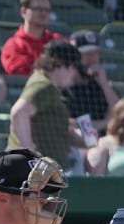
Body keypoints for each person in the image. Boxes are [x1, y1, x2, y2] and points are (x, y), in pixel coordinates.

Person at [8, 40, 84, 169]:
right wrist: (30, 152)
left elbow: (49, 128)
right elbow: (19, 113)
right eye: (74, 67)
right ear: (62, 64)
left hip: (44, 172)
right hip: (33, 172)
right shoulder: (43, 85)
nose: (75, 74)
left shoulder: (45, 85)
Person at [62, 29, 119, 133]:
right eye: (87, 54)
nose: (92, 59)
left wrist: (104, 84)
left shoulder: (104, 84)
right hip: (75, 144)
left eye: (95, 53)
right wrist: (105, 123)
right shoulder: (62, 86)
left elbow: (119, 112)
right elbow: (66, 122)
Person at [0, 0, 63, 77]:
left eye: (47, 10)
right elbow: (21, 75)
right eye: (38, 9)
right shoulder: (14, 44)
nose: (43, 13)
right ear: (23, 12)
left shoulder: (56, 40)